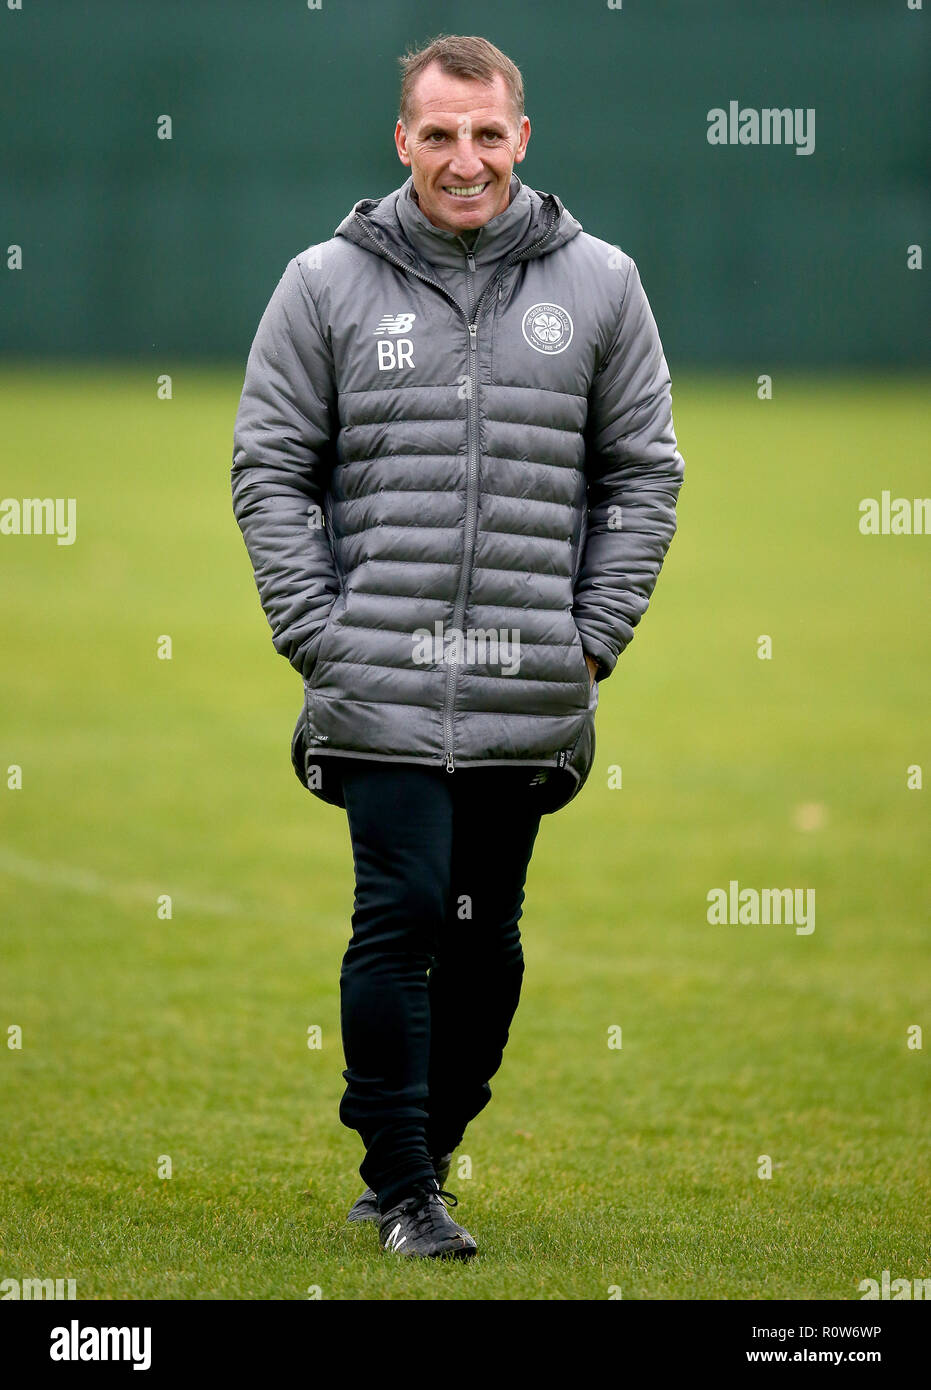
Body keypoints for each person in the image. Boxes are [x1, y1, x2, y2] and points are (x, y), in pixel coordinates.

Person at [232, 33, 684, 1260]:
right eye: (438, 134)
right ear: (401, 140)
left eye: (486, 134)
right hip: (377, 672)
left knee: (484, 936)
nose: (464, 159)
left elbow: (643, 472)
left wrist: (592, 638)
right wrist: (318, 632)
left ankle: (418, 1153)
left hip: (527, 676)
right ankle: (407, 1184)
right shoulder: (323, 281)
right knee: (406, 908)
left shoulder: (602, 282)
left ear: (521, 139)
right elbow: (270, 467)